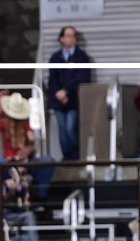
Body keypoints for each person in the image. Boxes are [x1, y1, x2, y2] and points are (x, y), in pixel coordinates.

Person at [47, 26, 91, 160]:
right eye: (68, 35)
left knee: (71, 128)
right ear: (62, 38)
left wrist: (66, 91)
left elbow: (82, 78)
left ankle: (75, 156)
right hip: (58, 100)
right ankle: (66, 157)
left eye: (74, 35)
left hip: (73, 100)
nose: (71, 38)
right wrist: (59, 94)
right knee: (62, 131)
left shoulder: (81, 57)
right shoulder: (55, 57)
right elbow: (52, 78)